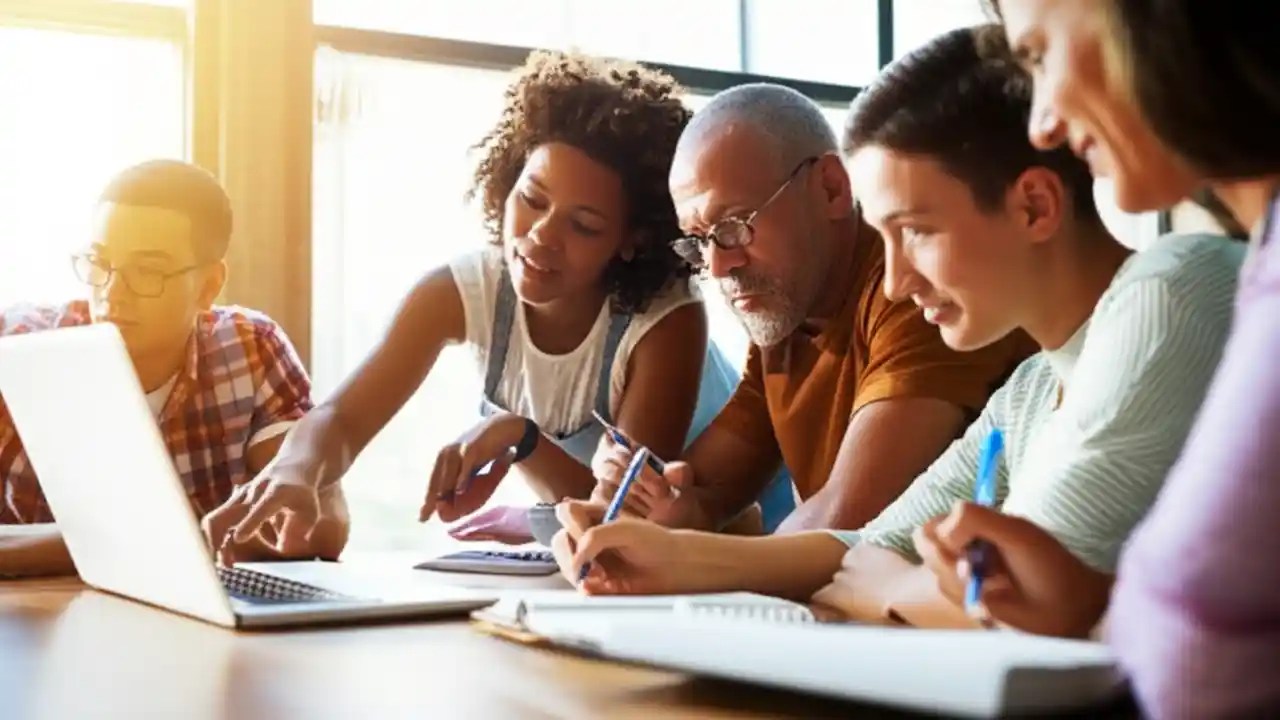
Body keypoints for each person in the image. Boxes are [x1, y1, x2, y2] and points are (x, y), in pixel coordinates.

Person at [551, 27, 1242, 627]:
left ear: (1034, 206)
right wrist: (659, 555)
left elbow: (1040, 602)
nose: (895, 281)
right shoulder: (1030, 390)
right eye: (887, 237)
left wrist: (898, 588)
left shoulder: (1173, 287)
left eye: (916, 232)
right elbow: (867, 547)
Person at [202, 50, 756, 560]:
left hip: (748, 534)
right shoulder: (463, 291)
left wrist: (519, 437)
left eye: (583, 226)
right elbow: (341, 419)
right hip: (637, 552)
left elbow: (620, 515)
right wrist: (294, 473)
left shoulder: (668, 320)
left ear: (632, 239)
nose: (540, 236)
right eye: (532, 199)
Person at [917, 3, 1280, 717]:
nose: (1043, 124)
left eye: (1040, 55)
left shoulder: (1180, 284)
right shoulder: (1258, 264)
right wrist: (1089, 607)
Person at [584, 80, 1032, 541]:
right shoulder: (783, 316)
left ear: (832, 188)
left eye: (735, 226)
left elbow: (845, 523)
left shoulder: (918, 293)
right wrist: (638, 490)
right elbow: (700, 494)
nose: (718, 266)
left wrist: (686, 548)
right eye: (698, 241)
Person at [0, 159, 342, 577]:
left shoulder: (250, 348)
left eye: (148, 271)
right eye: (99, 262)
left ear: (209, 286)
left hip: (190, 622)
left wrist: (86, 544)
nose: (112, 293)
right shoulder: (19, 349)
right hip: (35, 626)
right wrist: (186, 537)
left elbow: (315, 526)